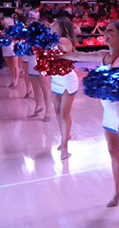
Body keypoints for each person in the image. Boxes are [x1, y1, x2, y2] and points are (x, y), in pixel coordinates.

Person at [65, 21, 119, 227]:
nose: (105, 34)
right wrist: (59, 56)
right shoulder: (104, 54)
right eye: (106, 30)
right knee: (113, 153)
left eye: (110, 31)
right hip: (109, 112)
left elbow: (112, 77)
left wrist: (90, 75)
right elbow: (79, 56)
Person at [50, 17, 79, 160]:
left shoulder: (65, 41)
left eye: (54, 23)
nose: (51, 25)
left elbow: (52, 42)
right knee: (56, 110)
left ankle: (65, 147)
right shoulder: (52, 38)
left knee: (64, 113)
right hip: (55, 78)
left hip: (67, 79)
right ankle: (64, 136)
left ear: (61, 26)